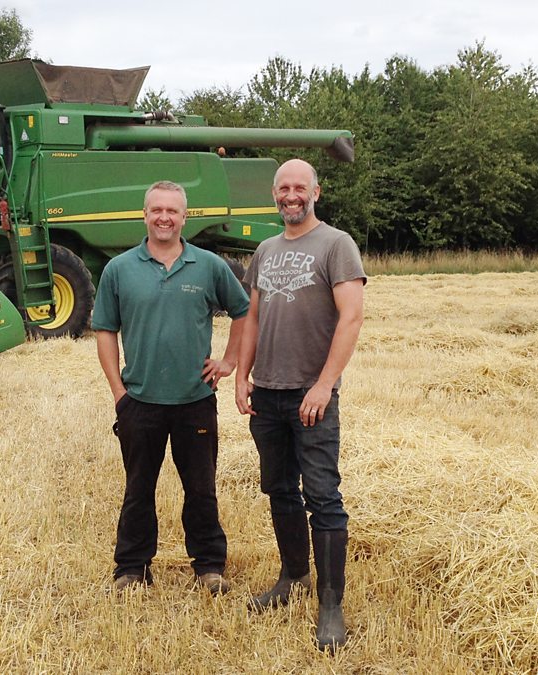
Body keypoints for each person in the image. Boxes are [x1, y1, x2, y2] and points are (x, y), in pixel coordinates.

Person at [93, 180, 250, 595]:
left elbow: (243, 311)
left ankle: (209, 566)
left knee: (201, 488)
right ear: (144, 215)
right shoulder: (119, 269)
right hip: (139, 402)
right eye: (156, 210)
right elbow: (105, 330)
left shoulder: (209, 266)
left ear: (185, 216)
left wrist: (229, 362)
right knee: (138, 488)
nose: (164, 217)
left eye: (172, 211)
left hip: (195, 401)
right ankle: (132, 567)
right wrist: (118, 393)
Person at [235, 159, 366, 651]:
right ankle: (293, 577)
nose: (292, 195)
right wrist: (243, 377)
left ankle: (331, 605)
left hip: (312, 396)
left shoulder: (336, 244)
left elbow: (351, 318)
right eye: (283, 188)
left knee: (323, 497)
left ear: (317, 191)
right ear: (275, 194)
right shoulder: (265, 250)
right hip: (267, 394)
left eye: (300, 188)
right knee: (279, 490)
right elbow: (251, 318)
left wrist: (324, 385)